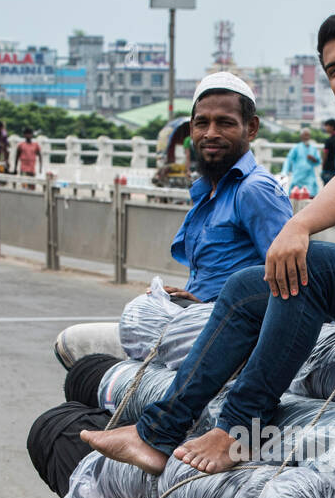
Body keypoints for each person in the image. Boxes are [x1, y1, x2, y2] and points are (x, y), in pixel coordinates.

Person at [81, 7, 335, 477]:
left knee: (307, 267)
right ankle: (156, 432)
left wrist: (296, 227)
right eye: (333, 70)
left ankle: (239, 431)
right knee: (245, 287)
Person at [52, 71, 293, 368]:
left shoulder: (254, 190)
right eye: (202, 123)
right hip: (200, 324)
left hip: (234, 336)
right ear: (191, 128)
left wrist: (211, 309)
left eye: (225, 123)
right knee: (78, 346)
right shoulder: (210, 191)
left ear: (251, 128)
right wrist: (192, 302)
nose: (211, 133)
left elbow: (291, 285)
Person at [281, 127, 321, 196]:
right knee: (295, 195)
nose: (306, 137)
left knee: (310, 195)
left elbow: (318, 161)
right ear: (301, 136)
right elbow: (288, 159)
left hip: (309, 177)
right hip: (298, 176)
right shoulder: (296, 148)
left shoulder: (313, 149)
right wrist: (284, 172)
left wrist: (313, 159)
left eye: (308, 135)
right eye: (305, 135)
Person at [319, 117, 335, 184]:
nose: (325, 128)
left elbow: (325, 155)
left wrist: (322, 167)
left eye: (326, 126)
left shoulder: (328, 140)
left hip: (328, 169)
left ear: (331, 127)